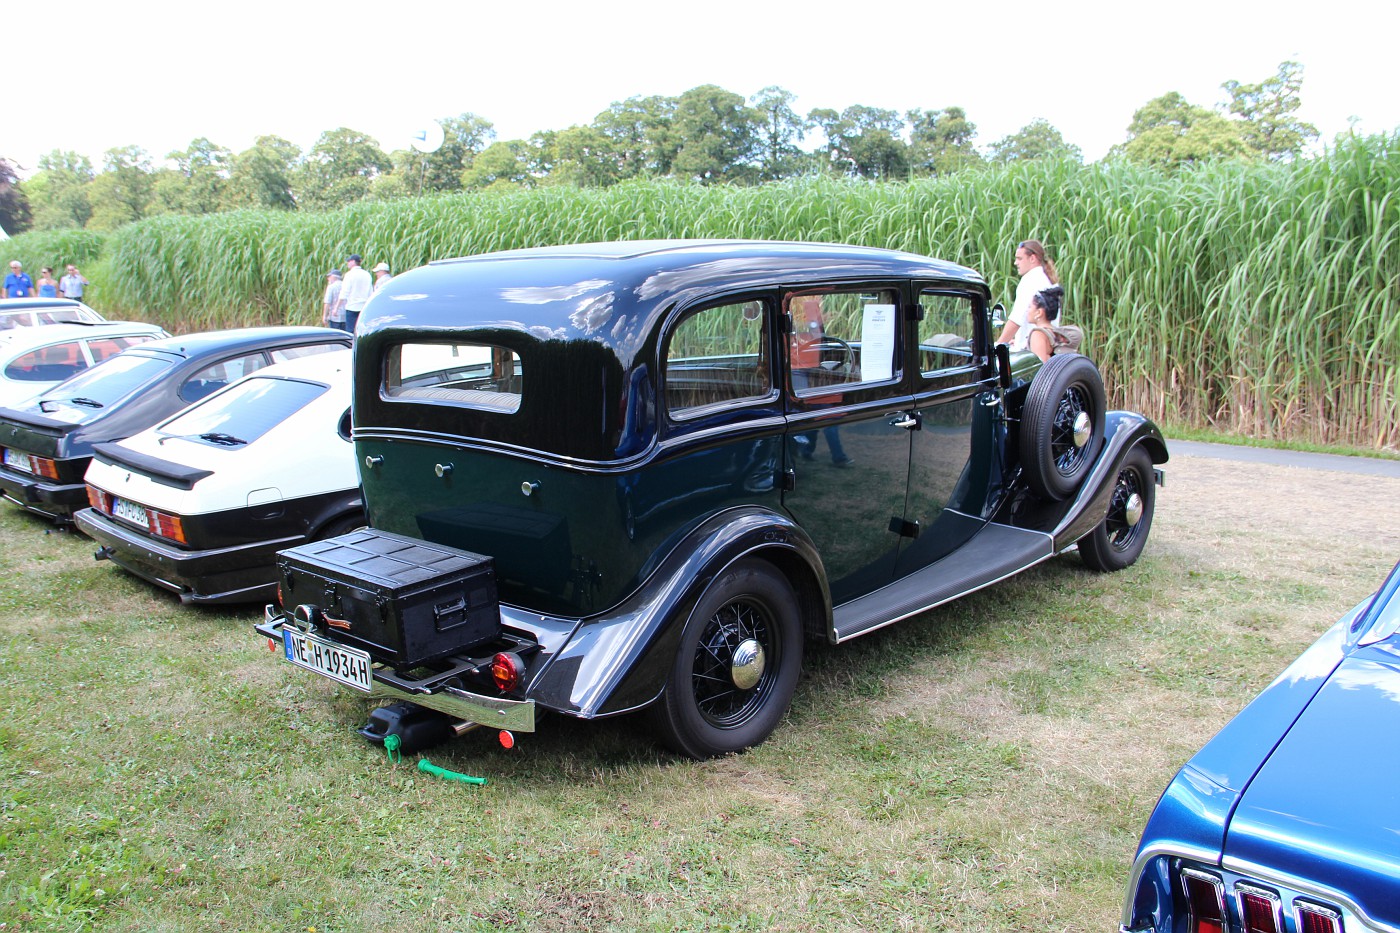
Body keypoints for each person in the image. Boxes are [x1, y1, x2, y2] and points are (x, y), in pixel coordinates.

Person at [996, 239, 1059, 352]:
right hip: (1045, 345)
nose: (1016, 263)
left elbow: (1016, 319)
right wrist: (1019, 340)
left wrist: (998, 345)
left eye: (1019, 258)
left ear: (1032, 258)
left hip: (1033, 350)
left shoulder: (1031, 279)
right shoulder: (1045, 278)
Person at [1024, 285, 1067, 362]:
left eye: (1029, 307)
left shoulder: (1038, 334)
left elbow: (1039, 366)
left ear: (1039, 312)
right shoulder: (1054, 331)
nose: (1027, 310)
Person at [334, 254, 372, 333]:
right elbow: (370, 292)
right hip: (364, 307)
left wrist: (336, 308)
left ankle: (352, 345)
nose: (347, 263)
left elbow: (344, 292)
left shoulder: (349, 275)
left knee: (351, 331)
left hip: (352, 307)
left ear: (353, 262)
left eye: (349, 261)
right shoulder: (367, 274)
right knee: (363, 330)